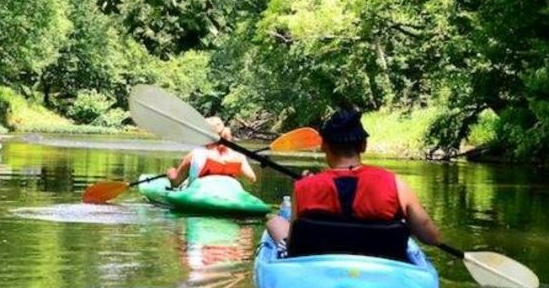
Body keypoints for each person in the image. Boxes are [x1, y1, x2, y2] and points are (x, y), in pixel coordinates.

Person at [265, 109, 441, 259]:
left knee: (275, 222)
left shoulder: (304, 187)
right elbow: (432, 238)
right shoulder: (396, 185)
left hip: (318, 266)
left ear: (324, 146)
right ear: (363, 145)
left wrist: (310, 184)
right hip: (381, 267)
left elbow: (295, 243)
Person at [166, 116, 257, 187]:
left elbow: (176, 182)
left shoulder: (196, 153)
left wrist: (170, 172)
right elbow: (252, 178)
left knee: (172, 173)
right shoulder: (237, 155)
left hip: (201, 193)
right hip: (228, 192)